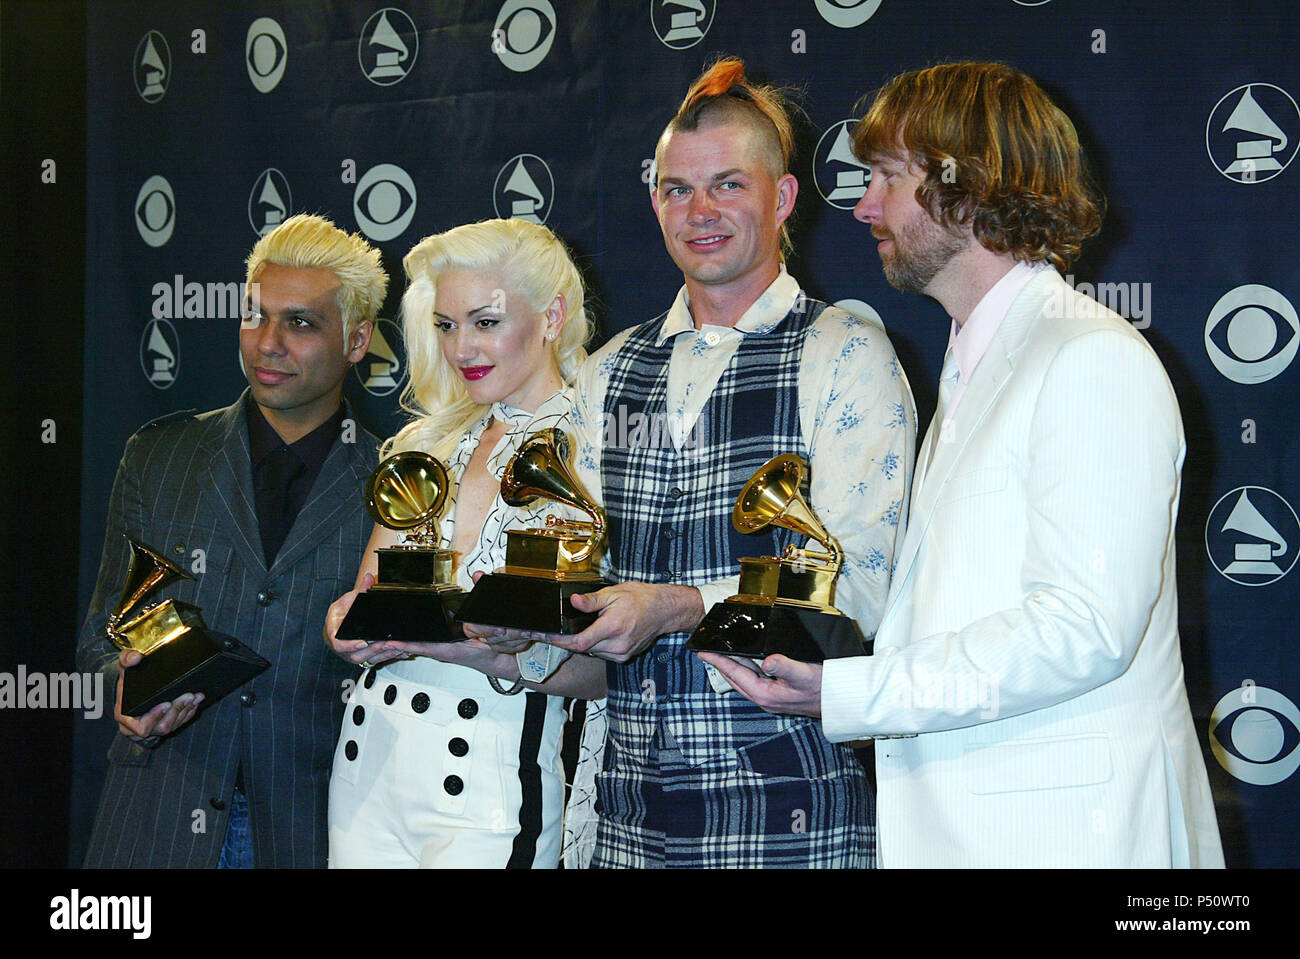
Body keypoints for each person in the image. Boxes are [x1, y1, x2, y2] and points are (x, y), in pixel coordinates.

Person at [704, 61, 1225, 867]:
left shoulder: (1089, 358)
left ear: (966, 186)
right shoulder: (974, 365)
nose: (861, 204)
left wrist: (852, 691)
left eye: (884, 176)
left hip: (1073, 838)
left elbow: (1084, 627)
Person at [492, 59, 914, 867]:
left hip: (795, 810)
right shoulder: (610, 369)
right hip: (629, 819)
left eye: (727, 184)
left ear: (783, 198)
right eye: (676, 189)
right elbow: (585, 600)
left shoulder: (844, 353)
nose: (700, 212)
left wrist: (682, 605)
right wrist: (511, 638)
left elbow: (863, 592)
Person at [78, 213, 387, 868]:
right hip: (154, 820)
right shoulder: (159, 456)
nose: (268, 342)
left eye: (301, 322)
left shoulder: (395, 486)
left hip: (315, 833)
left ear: (358, 340)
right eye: (256, 315)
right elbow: (105, 635)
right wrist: (130, 690)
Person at [323, 218, 607, 869]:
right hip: (368, 769)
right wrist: (341, 623)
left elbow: (607, 668)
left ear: (552, 315)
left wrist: (478, 652)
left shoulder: (595, 449)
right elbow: (366, 593)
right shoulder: (427, 444)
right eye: (447, 325)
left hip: (488, 785)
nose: (462, 347)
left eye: (485, 321)